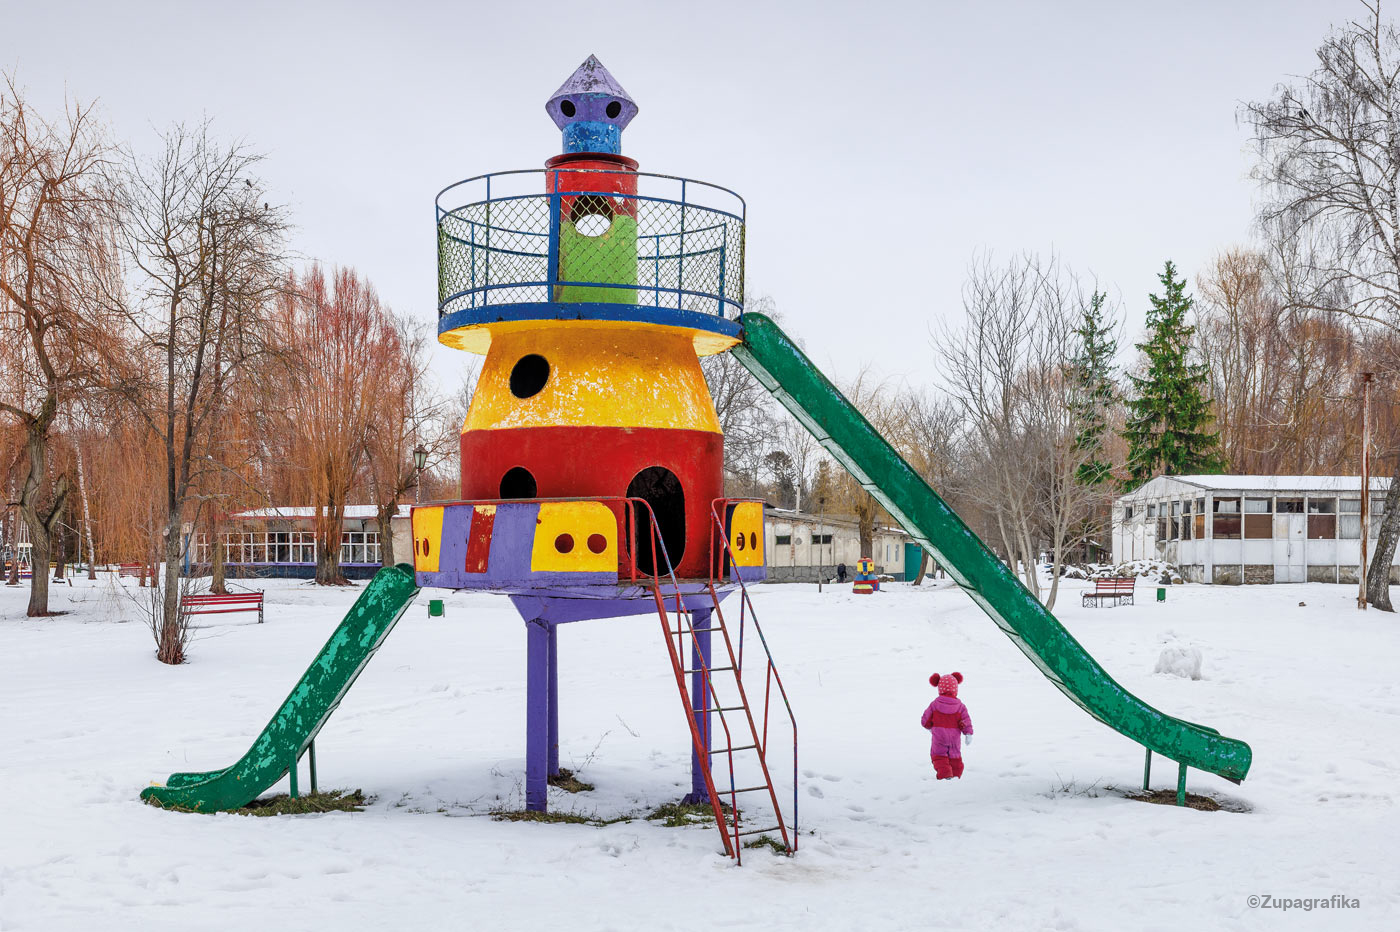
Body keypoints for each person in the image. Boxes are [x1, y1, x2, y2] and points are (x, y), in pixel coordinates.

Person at [920, 672, 973, 779]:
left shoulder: (934, 704)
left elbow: (925, 720)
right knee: (955, 756)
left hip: (939, 737)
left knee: (939, 756)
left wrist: (929, 727)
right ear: (956, 689)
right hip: (954, 738)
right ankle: (956, 775)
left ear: (939, 688)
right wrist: (968, 733)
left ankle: (945, 774)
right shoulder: (960, 706)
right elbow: (965, 720)